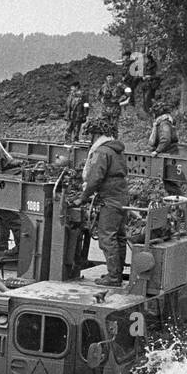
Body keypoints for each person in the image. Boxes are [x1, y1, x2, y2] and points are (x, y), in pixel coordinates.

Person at [69, 118, 130, 287]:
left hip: (110, 199)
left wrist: (82, 197)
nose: (89, 139)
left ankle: (113, 277)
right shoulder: (116, 150)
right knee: (119, 236)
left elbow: (95, 178)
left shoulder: (102, 152)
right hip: (121, 196)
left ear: (96, 134)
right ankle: (116, 272)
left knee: (106, 236)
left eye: (90, 136)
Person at [148, 102, 182, 196]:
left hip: (170, 157)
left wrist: (157, 151)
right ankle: (177, 204)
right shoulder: (166, 123)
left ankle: (180, 205)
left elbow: (166, 139)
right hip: (170, 155)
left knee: (171, 184)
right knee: (169, 183)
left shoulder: (164, 124)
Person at [97, 72, 129, 139]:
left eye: (111, 77)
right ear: (106, 78)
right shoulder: (103, 86)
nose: (109, 79)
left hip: (115, 108)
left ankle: (114, 140)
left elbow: (128, 91)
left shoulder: (119, 85)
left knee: (114, 126)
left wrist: (121, 99)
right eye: (108, 77)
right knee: (104, 125)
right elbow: (99, 95)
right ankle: (106, 139)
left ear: (113, 78)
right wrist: (101, 99)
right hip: (105, 108)